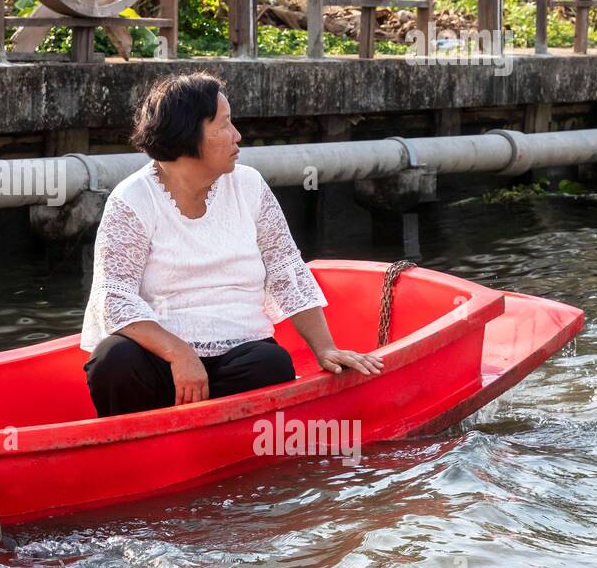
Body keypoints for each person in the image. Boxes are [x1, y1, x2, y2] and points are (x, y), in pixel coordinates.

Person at [81, 73, 383, 417]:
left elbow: (286, 270)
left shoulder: (250, 185)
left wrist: (325, 349)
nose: (237, 135)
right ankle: (141, 449)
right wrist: (180, 353)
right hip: (160, 355)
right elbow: (115, 299)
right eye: (224, 125)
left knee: (271, 364)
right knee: (112, 360)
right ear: (187, 134)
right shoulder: (132, 200)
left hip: (239, 351)